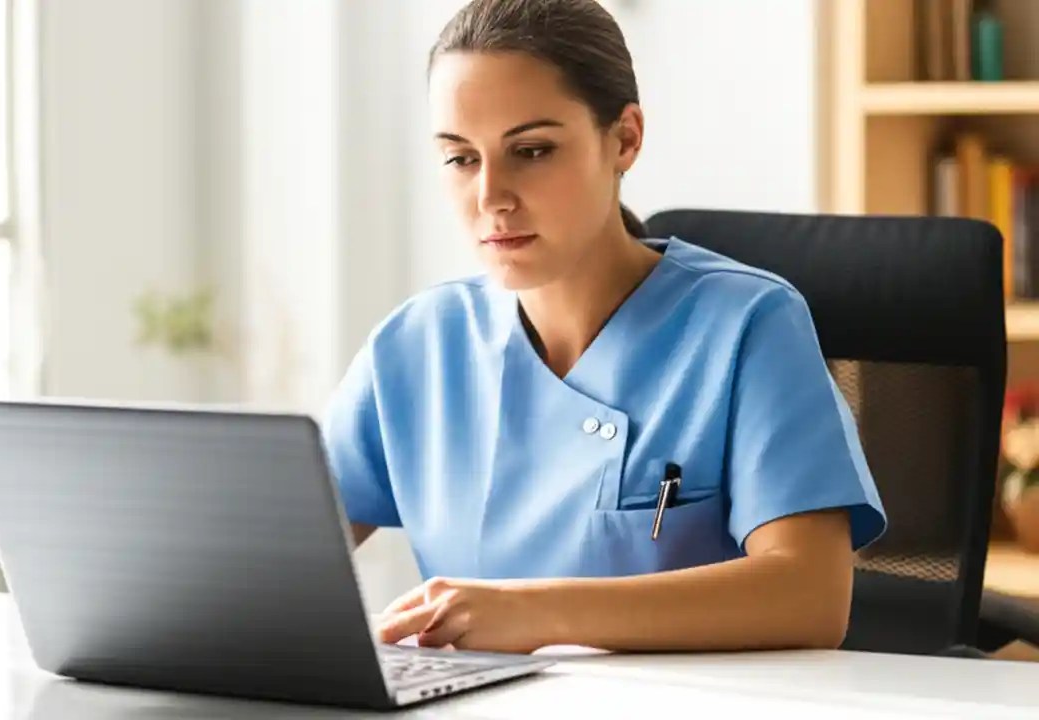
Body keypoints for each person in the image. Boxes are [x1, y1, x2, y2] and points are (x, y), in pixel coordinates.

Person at [321, 0, 886, 655]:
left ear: (624, 140)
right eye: (460, 159)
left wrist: (537, 614)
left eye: (531, 150)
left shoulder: (748, 325)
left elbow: (810, 596)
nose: (491, 198)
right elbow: (265, 554)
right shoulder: (416, 345)